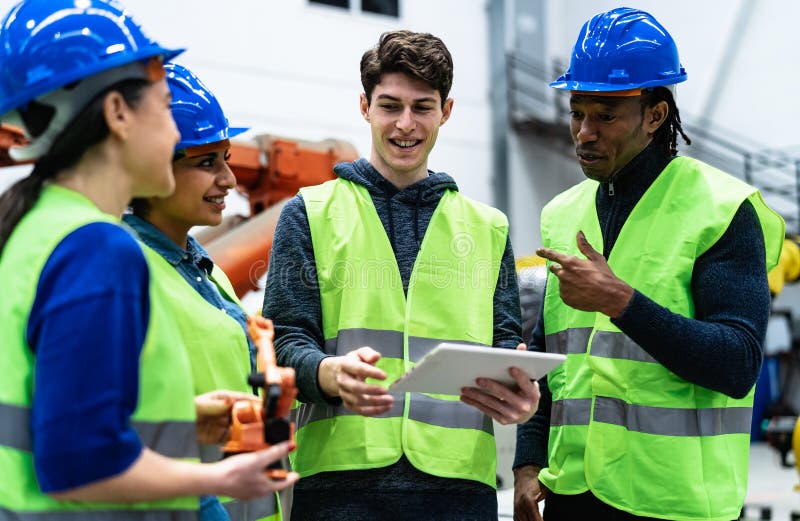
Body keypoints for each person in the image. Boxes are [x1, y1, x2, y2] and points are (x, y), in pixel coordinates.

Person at [0, 1, 297, 519]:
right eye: (164, 109)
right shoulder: (96, 247)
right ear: (118, 113)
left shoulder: (36, 228)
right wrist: (222, 476)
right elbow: (81, 464)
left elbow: (61, 414)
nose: (172, 135)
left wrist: (187, 418)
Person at [512, 7, 784, 521]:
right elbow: (554, 361)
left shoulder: (721, 210)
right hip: (572, 493)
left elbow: (738, 363)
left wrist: (622, 302)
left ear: (655, 116)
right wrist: (528, 464)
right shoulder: (562, 213)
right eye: (576, 113)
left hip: (673, 503)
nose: (584, 132)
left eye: (605, 115)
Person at [263, 29, 540, 520]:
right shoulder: (310, 212)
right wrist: (327, 372)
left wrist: (519, 397)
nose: (405, 124)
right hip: (338, 489)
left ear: (447, 111)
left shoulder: (488, 227)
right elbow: (283, 343)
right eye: (390, 106)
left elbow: (506, 344)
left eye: (423, 107)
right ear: (365, 106)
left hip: (459, 491)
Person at [124, 63, 281, 521]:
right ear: (153, 165)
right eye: (206, 163)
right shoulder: (128, 270)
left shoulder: (206, 272)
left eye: (227, 159)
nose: (229, 180)